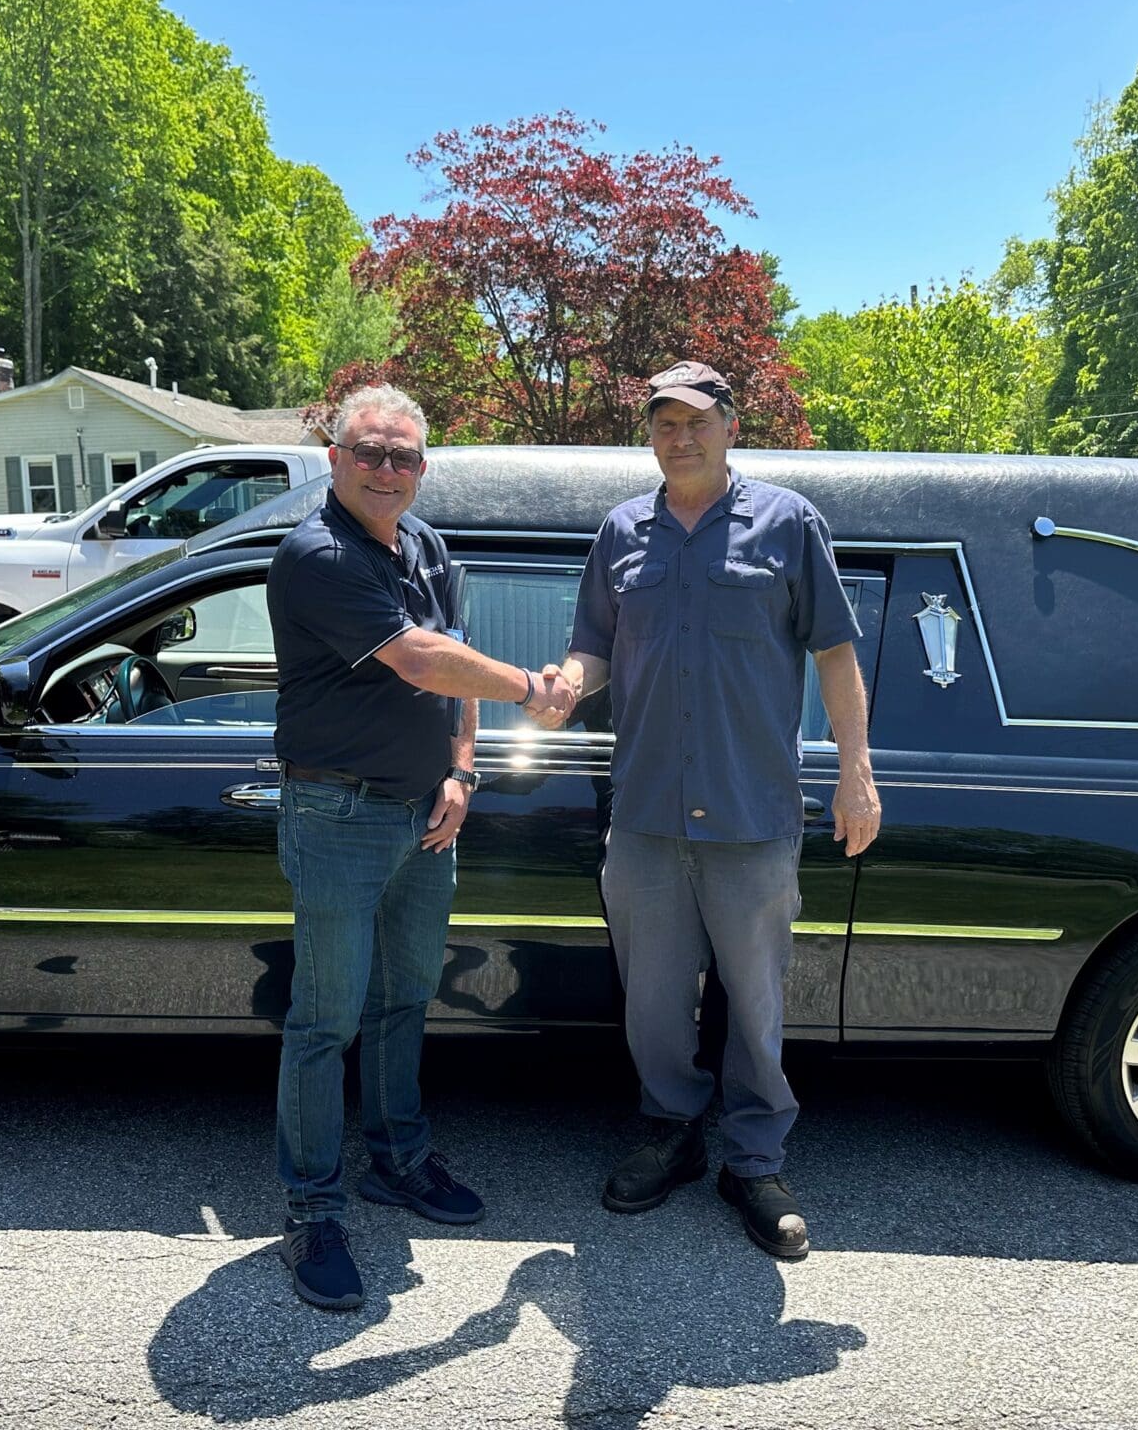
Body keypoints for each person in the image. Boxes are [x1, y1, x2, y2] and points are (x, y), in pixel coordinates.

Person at [537, 360, 882, 1259]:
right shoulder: (621, 532)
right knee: (652, 1000)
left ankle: (755, 1159)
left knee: (758, 1000)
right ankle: (670, 1132)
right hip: (646, 815)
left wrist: (857, 772)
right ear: (648, 434)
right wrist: (566, 685)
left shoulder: (788, 523)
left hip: (752, 814)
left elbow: (837, 653)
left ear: (732, 426)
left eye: (696, 420)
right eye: (663, 422)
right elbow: (593, 648)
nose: (679, 437)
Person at [266, 383, 574, 1310]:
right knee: (325, 1018)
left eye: (404, 456)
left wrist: (464, 771)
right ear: (334, 456)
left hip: (424, 816)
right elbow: (418, 657)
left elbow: (453, 664)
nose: (387, 469)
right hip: (337, 816)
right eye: (370, 451)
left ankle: (398, 1161)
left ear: (422, 466)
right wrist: (536, 686)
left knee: (405, 998)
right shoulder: (315, 553)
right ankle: (313, 1209)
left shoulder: (427, 543)